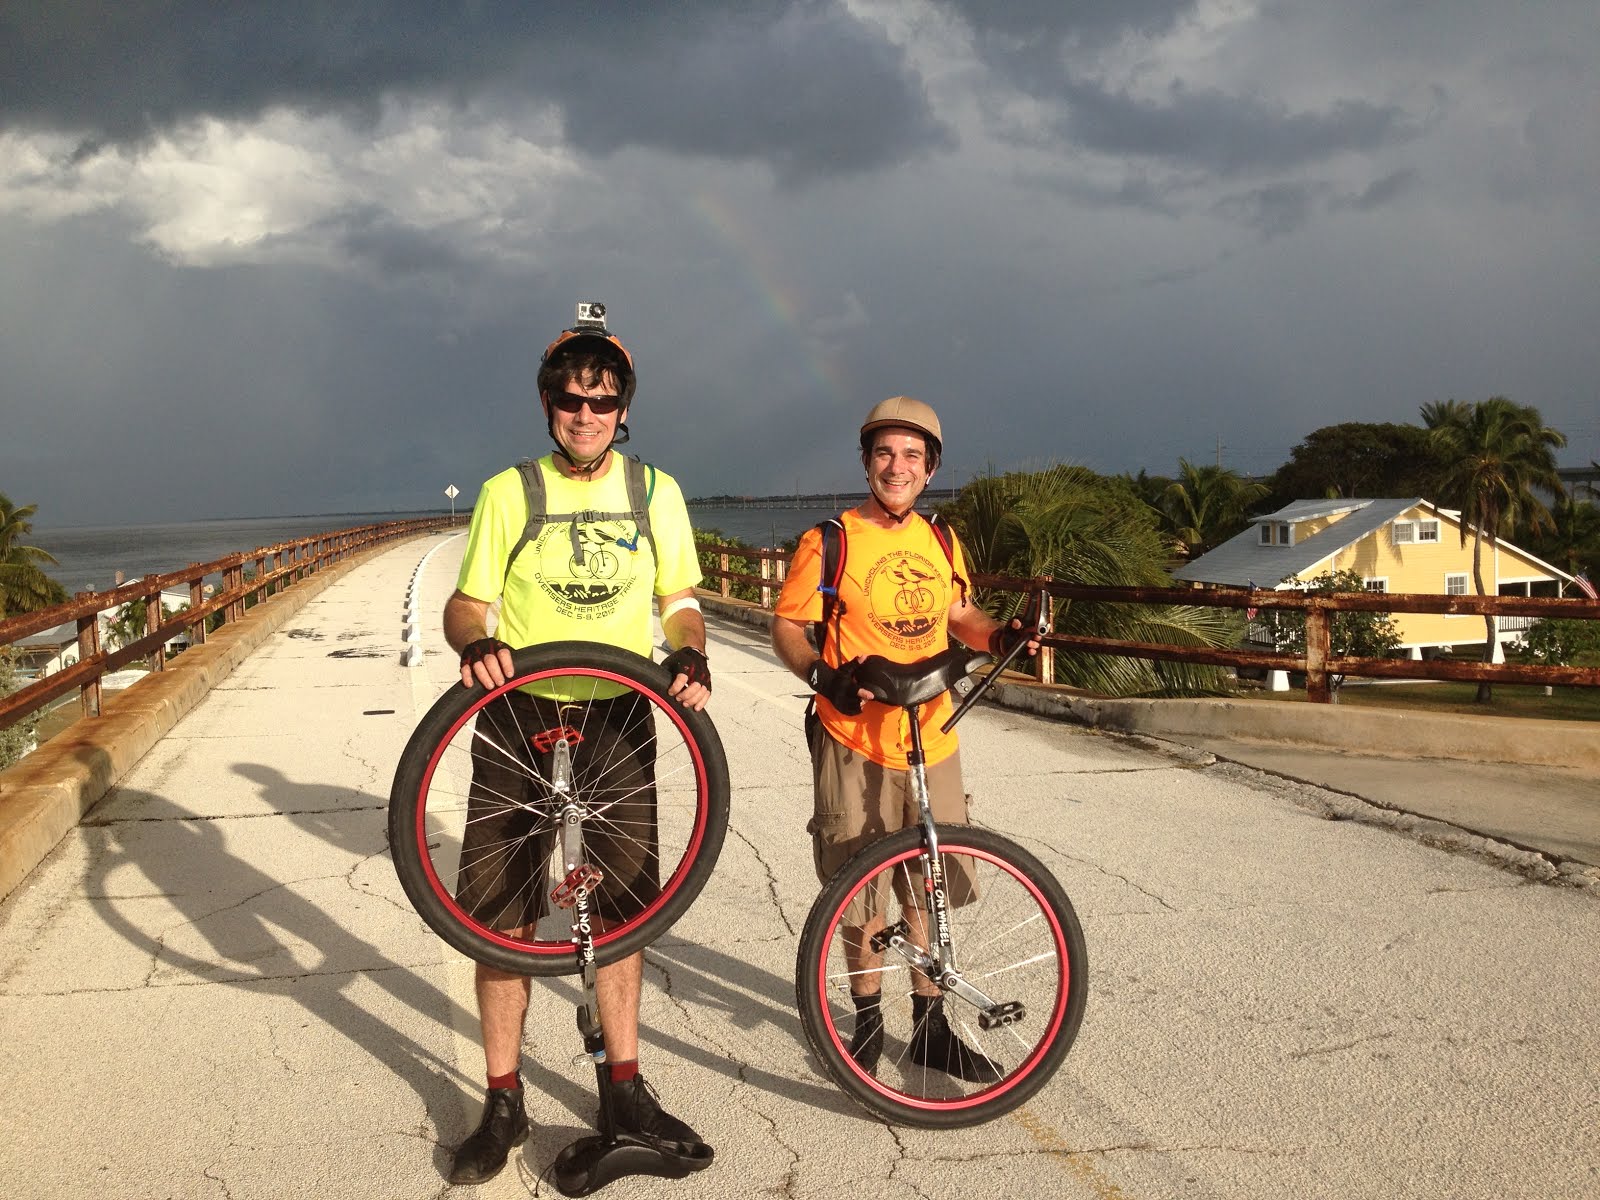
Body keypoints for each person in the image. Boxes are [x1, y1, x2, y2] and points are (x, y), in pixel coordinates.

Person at [441, 304, 712, 1185]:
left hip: (617, 717)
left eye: (600, 399)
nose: (583, 413)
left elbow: (680, 600)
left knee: (628, 905)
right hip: (519, 719)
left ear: (623, 407)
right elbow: (466, 605)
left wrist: (692, 651)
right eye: (568, 396)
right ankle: (504, 1100)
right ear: (548, 402)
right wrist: (473, 642)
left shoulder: (653, 492)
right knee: (500, 920)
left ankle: (623, 1091)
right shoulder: (507, 492)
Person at [770, 396, 1037, 1081]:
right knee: (860, 895)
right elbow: (787, 628)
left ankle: (929, 1026)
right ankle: (864, 1025)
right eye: (885, 453)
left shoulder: (941, 540)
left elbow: (959, 613)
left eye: (913, 456)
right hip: (854, 737)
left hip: (931, 732)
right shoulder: (829, 541)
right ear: (866, 461)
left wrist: (1002, 635)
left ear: (931, 468)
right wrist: (822, 676)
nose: (898, 466)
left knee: (927, 885)